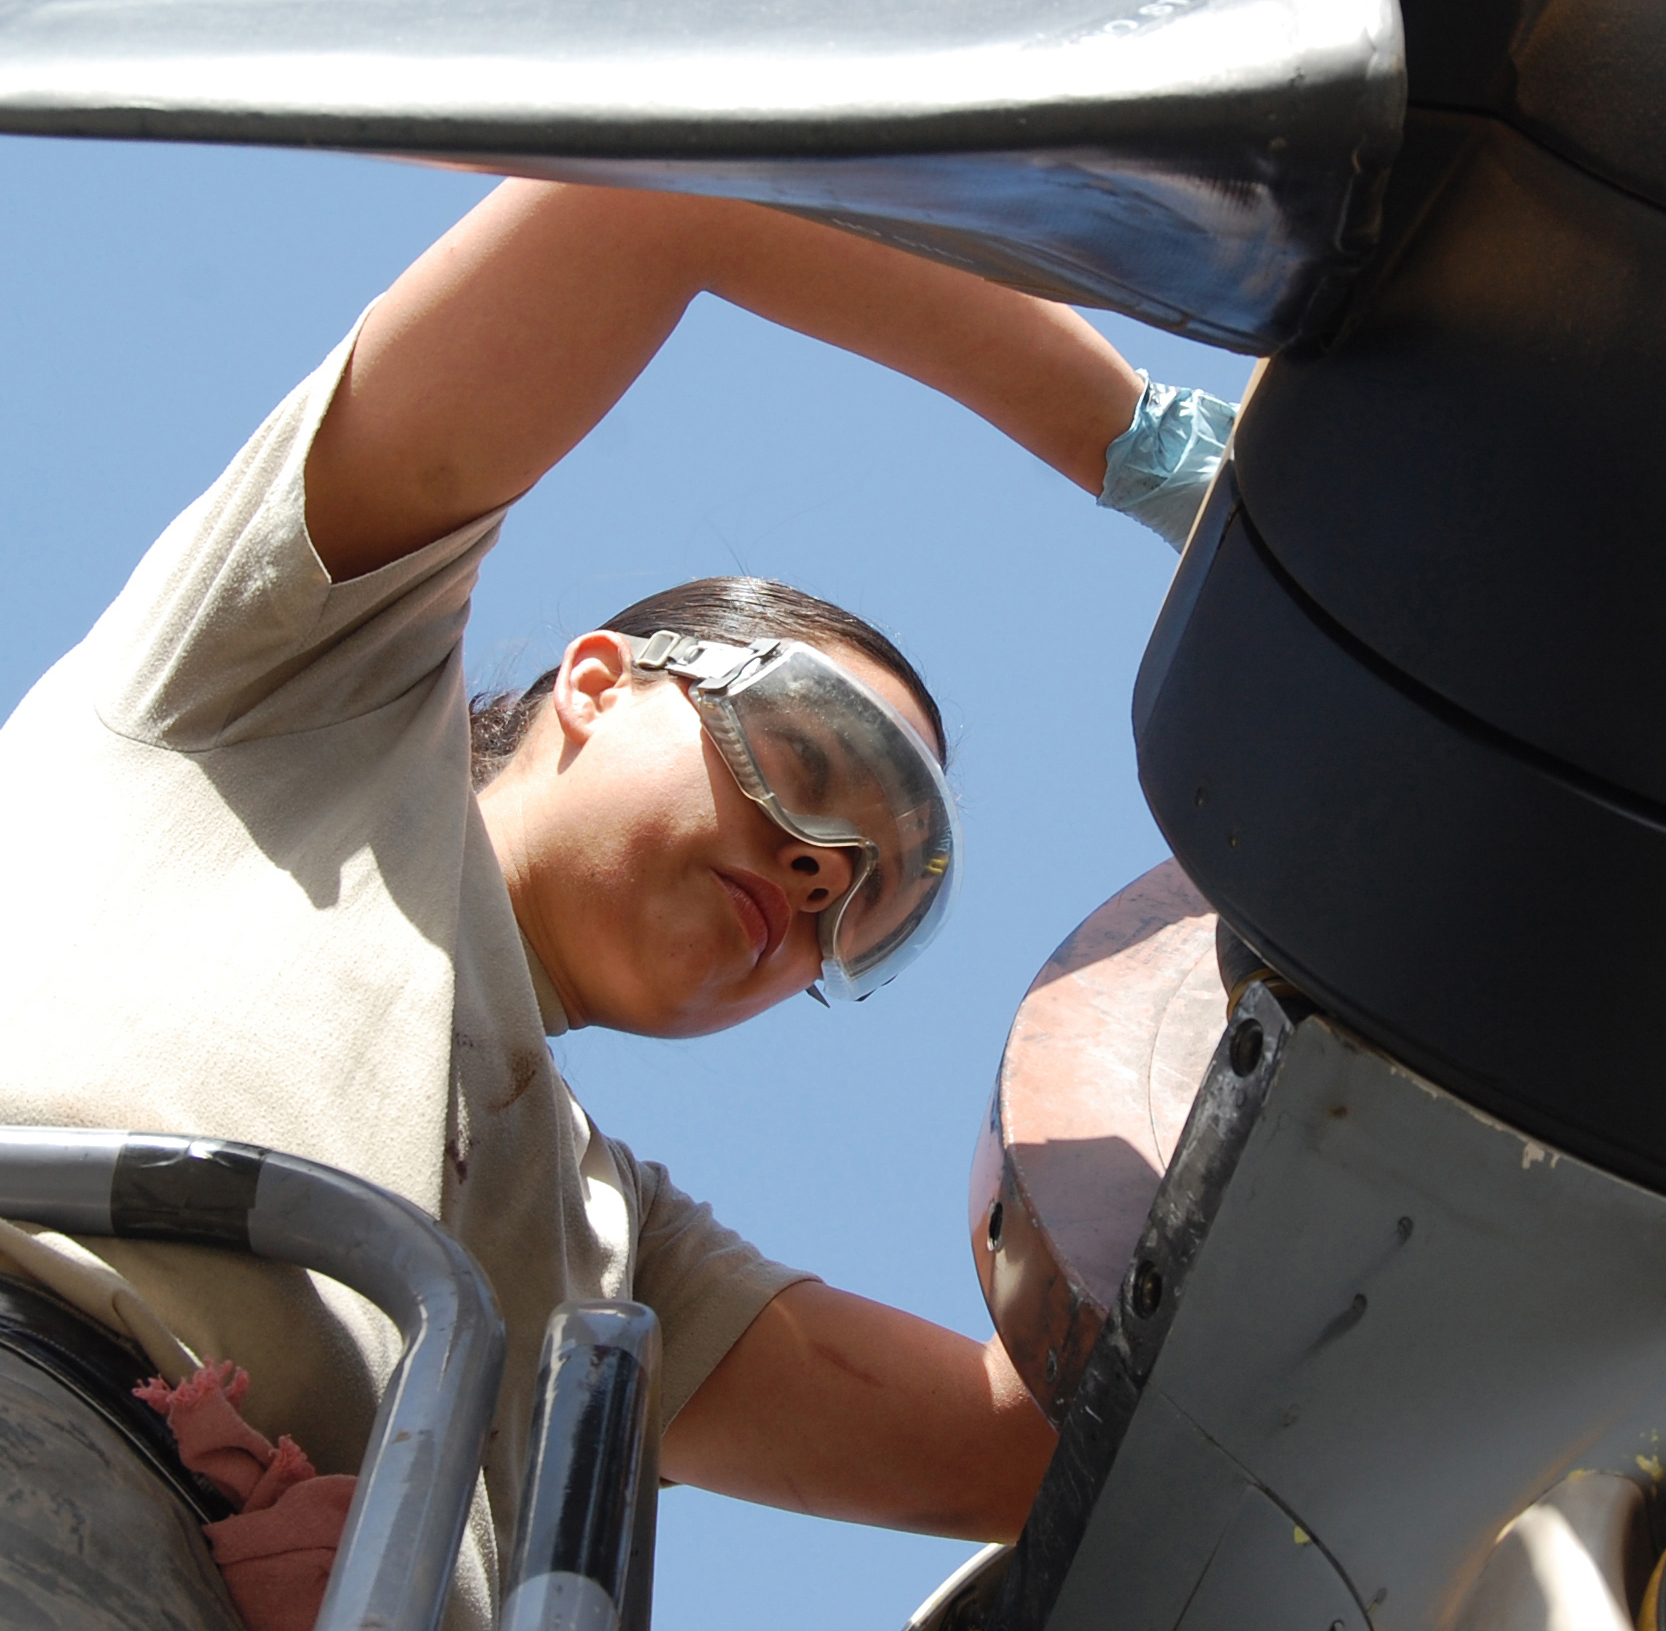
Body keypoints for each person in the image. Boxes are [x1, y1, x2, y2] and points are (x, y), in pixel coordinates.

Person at [0, 180, 1231, 1627]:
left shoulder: (613, 1253)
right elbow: (652, 191)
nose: (823, 870)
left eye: (873, 908)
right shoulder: (288, 697)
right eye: (810, 758)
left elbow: (1030, 1457)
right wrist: (1170, 463)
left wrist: (1249, 1014)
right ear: (596, 683)